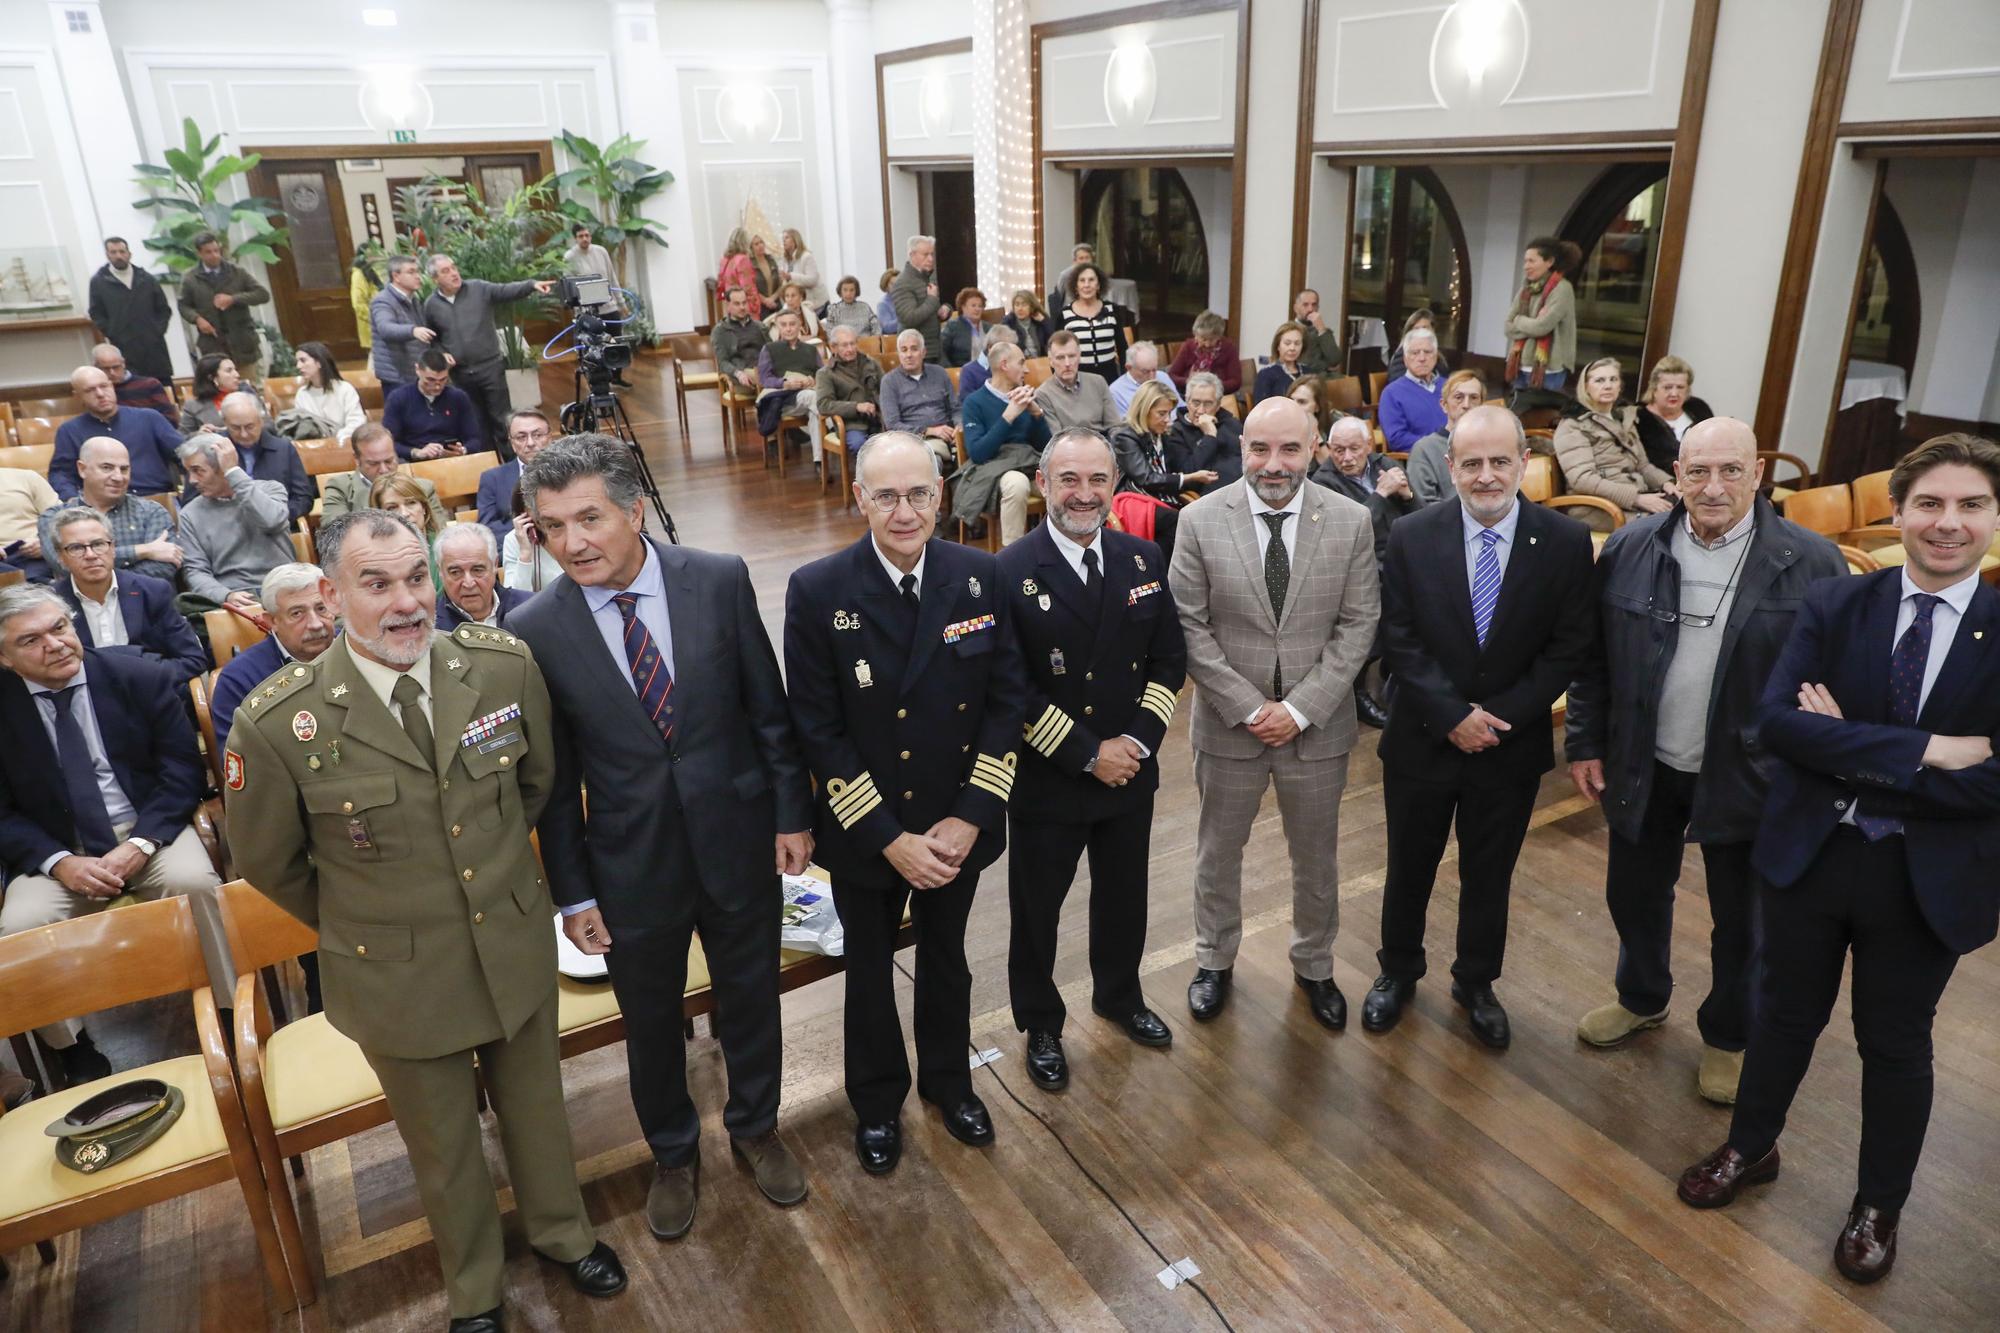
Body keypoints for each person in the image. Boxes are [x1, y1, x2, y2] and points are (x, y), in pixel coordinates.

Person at [225, 509, 627, 1328]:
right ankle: (475, 1286)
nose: (407, 601)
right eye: (377, 584)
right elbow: (270, 862)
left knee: (539, 1109)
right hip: (395, 970)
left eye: (417, 577)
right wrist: (367, 916)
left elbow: (536, 786)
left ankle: (560, 1230)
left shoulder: (503, 665)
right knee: (442, 1145)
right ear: (332, 595)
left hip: (510, 939)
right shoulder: (278, 722)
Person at [1676, 433, 2000, 1286]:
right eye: (1929, 503)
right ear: (1898, 511)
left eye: (1970, 505)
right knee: (1782, 1015)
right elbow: (1780, 724)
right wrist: (1930, 751)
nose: (1947, 523)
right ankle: (1751, 1147)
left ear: (1994, 519)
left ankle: (1877, 1205)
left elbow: (1997, 782)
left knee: (1895, 1044)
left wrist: (1844, 743)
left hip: (1923, 878)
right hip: (1812, 854)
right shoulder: (1837, 603)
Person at [513, 434, 813, 1239]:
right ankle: (674, 1154)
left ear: (634, 508)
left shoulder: (717, 579)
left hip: (740, 834)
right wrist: (572, 892)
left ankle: (756, 1127)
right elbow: (551, 781)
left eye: (589, 518)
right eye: (551, 527)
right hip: (627, 863)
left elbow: (768, 712)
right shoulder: (536, 627)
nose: (572, 542)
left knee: (751, 996)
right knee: (650, 1023)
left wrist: (792, 814)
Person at [1567, 418, 1845, 1103]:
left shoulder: (1812, 562)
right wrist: (1584, 741)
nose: (1712, 486)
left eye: (1729, 470)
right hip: (1644, 760)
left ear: (1758, 475)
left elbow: (1835, 678)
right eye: (1697, 471)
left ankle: (1727, 1035)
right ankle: (1642, 995)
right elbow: (1593, 659)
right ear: (1676, 476)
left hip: (1751, 772)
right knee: (1632, 894)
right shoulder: (1632, 547)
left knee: (1743, 922)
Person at [783, 432, 1026, 1174]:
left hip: (957, 824)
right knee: (868, 969)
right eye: (885, 495)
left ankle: (950, 1083)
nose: (904, 510)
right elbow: (817, 728)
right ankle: (878, 1102)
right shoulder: (819, 588)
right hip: (867, 832)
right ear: (859, 497)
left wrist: (969, 817)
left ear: (940, 492)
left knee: (948, 960)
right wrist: (890, 836)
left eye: (919, 492)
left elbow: (1007, 702)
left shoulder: (982, 577)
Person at [1361, 405, 1595, 1048]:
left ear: (1524, 462)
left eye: (1500, 462)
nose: (1486, 476)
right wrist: (1452, 716)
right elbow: (1399, 637)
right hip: (1423, 739)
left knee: (1490, 874)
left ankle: (1476, 982)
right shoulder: (1413, 536)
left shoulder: (1567, 542)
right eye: (1472, 464)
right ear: (1451, 467)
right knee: (1409, 866)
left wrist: (1505, 718)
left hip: (1509, 746)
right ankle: (1397, 972)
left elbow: (1569, 646)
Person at [1170, 397, 1379, 1030]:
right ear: (1241, 449)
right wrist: (1250, 706)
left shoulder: (1351, 520)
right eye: (1260, 448)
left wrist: (1299, 709)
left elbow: (1358, 623)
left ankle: (1315, 964)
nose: (1274, 463)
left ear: (1314, 448)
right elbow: (1190, 626)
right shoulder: (1200, 520)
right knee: (1217, 854)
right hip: (1230, 727)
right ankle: (1214, 960)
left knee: (1316, 858)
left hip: (1316, 732)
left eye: (1290, 449)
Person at [996, 428, 1187, 1090]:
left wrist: (1133, 744)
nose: (1084, 493)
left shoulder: (1141, 560)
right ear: (1043, 483)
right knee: (1037, 909)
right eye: (1069, 479)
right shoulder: (1008, 569)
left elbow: (1169, 662)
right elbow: (1009, 688)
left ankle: (1119, 995)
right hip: (1050, 778)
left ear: (1115, 485)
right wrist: (1086, 753)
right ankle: (1041, 1022)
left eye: (1098, 480)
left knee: (1124, 896)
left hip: (1130, 771)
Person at [0, 585, 227, 1085]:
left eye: (60, 628)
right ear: (5, 658)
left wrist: (141, 843)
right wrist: (60, 861)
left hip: (148, 829)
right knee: (18, 926)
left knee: (195, 884)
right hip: (59, 848)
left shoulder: (138, 675)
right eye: (31, 640)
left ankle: (231, 1009)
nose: (55, 644)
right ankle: (73, 1049)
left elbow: (181, 771)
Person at [48, 510, 207, 685]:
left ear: (113, 548)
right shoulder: (50, 605)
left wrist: (137, 670)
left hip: (151, 692)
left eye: (98, 544)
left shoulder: (152, 591)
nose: (91, 555)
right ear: (61, 557)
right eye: (76, 548)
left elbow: (193, 660)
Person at [423, 254, 554, 458]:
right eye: (445, 271)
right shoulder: (431, 305)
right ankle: (490, 471)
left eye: (454, 268)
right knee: (476, 426)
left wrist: (531, 284)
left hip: (491, 368)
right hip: (461, 375)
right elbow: (433, 338)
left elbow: (506, 290)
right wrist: (442, 352)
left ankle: (513, 470)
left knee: (502, 422)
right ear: (434, 279)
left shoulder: (478, 288)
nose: (454, 273)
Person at [208, 562, 336, 747]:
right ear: (271, 621)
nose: (315, 624)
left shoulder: (361, 651)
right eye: (297, 613)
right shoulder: (239, 678)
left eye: (321, 608)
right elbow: (237, 761)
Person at [173, 433, 295, 614]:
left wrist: (234, 473)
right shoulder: (189, 514)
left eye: (198, 470)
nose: (191, 480)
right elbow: (195, 571)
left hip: (284, 587)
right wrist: (225, 595)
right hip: (234, 599)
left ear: (223, 469)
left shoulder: (270, 489)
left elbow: (271, 521)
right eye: (188, 472)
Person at [37, 437, 181, 584]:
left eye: (124, 469)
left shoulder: (152, 512)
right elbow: (64, 565)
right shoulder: (54, 518)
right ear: (82, 469)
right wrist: (142, 551)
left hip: (146, 602)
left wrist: (93, 576)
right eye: (107, 468)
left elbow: (163, 570)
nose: (118, 477)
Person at [1554, 356, 1676, 529]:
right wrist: (1637, 499)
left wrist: (1667, 484)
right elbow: (1582, 479)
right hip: (1598, 508)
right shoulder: (1573, 425)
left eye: (1613, 379)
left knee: (1688, 513)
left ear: (1620, 386)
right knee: (1665, 526)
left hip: (1634, 501)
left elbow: (1644, 466)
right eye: (1599, 380)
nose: (1608, 385)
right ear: (1586, 387)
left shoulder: (1623, 418)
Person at [952, 343, 1049, 546]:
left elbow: (1046, 448)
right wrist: (1008, 417)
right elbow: (978, 453)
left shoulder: (1024, 397)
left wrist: (1036, 414)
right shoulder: (974, 402)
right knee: (1017, 483)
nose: (1027, 369)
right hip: (994, 472)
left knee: (1062, 482)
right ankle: (1012, 557)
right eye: (1021, 362)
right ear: (1004, 365)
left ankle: (1059, 551)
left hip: (1029, 465)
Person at [1112, 381, 1213, 560]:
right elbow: (1146, 479)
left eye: (1169, 413)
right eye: (1161, 413)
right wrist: (1189, 477)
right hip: (1134, 500)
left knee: (1201, 516)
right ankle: (1161, 574)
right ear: (1144, 411)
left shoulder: (1163, 434)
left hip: (1162, 499)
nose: (1167, 419)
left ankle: (1170, 575)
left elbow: (1176, 469)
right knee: (1177, 520)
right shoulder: (1124, 436)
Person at [52, 365, 184, 500]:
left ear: (112, 386)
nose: (100, 394)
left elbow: (184, 455)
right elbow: (61, 475)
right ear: (78, 396)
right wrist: (76, 503)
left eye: (104, 386)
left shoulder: (149, 418)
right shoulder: (69, 431)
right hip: (104, 505)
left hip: (157, 497)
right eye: (90, 390)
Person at [1311, 416, 1416, 562]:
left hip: (1406, 548)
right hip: (1366, 560)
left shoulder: (1385, 464)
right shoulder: (1323, 483)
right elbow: (1349, 534)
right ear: (1329, 449)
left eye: (1354, 449)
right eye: (1339, 450)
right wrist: (1380, 493)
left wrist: (1408, 497)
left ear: (1368, 445)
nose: (1347, 457)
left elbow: (1421, 517)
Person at [177, 232, 270, 384]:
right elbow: (183, 305)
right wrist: (197, 319)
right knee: (220, 389)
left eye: (216, 250)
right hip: (213, 345)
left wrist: (234, 299)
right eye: (208, 252)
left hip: (242, 343)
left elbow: (262, 294)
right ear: (199, 253)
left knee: (249, 387)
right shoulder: (190, 278)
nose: (214, 255)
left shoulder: (237, 272)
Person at [207, 391, 313, 521]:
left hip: (276, 526)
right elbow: (196, 500)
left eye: (250, 427)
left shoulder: (283, 448)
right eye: (235, 428)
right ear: (225, 422)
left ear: (261, 420)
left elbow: (303, 499)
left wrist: (276, 515)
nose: (244, 434)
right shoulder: (212, 449)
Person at [320, 422, 449, 527]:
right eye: (373, 463)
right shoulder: (340, 488)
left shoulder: (424, 488)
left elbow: (439, 532)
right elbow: (333, 533)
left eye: (389, 461)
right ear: (356, 459)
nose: (383, 469)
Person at [87, 237, 175, 383]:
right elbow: (96, 313)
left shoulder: (146, 279)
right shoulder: (99, 282)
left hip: (153, 346)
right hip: (124, 347)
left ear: (129, 253)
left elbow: (163, 309)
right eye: (113, 252)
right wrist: (113, 333)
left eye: (122, 251)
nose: (118, 256)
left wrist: (157, 331)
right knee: (132, 388)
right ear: (107, 255)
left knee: (162, 387)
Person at [1504, 237, 1579, 392]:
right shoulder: (1526, 288)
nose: (1526, 266)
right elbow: (1507, 327)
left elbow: (1542, 327)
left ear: (1549, 262)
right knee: (1517, 414)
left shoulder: (1562, 289)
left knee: (1544, 415)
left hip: (1549, 370)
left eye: (1532, 261)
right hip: (1519, 365)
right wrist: (1530, 322)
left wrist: (1519, 319)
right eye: (1525, 261)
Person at [878, 328, 959, 469]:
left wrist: (960, 427)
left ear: (923, 352)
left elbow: (956, 408)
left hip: (947, 436)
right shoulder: (889, 382)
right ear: (898, 354)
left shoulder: (939, 373)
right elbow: (892, 424)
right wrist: (928, 431)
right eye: (903, 350)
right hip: (912, 441)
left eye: (914, 349)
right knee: (932, 462)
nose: (908, 355)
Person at [383, 349, 481, 460]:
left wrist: (463, 450)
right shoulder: (398, 398)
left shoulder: (458, 398)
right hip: (413, 460)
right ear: (417, 370)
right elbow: (388, 443)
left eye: (443, 380)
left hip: (453, 459)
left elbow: (474, 439)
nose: (437, 386)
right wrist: (416, 452)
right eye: (430, 380)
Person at [433, 524, 533, 632]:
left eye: (477, 570)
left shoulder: (530, 609)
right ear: (440, 571)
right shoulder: (430, 628)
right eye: (456, 572)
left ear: (494, 565)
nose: (469, 583)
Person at [1406, 370, 1484, 507]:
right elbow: (1422, 504)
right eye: (1458, 397)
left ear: (1481, 406)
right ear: (1444, 405)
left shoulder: (1491, 446)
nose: (1466, 405)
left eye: (1473, 398)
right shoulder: (1425, 449)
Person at [476, 409, 552, 548]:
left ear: (549, 437)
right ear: (512, 443)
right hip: (515, 549)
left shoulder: (570, 472)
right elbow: (487, 529)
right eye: (521, 437)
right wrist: (525, 537)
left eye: (537, 435)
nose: (530, 443)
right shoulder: (492, 478)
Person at [1165, 371, 1243, 498]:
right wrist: (1210, 436)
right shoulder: (1175, 432)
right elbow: (1188, 473)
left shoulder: (1232, 424)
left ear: (1218, 405)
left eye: (1208, 404)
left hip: (1243, 490)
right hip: (1210, 497)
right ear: (1187, 401)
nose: (1200, 411)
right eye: (1195, 403)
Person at [1634, 355, 1714, 472]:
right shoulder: (1639, 418)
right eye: (1668, 387)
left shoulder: (1699, 409)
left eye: (1680, 387)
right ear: (1654, 388)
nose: (1674, 393)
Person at [815, 326, 883, 462]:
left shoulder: (871, 363)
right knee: (860, 446)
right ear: (833, 348)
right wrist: (856, 407)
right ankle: (870, 480)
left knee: (899, 441)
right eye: (845, 345)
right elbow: (824, 405)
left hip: (878, 418)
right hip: (851, 424)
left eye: (852, 343)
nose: (850, 349)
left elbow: (886, 389)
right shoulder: (826, 373)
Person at [754, 308, 821, 447]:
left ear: (800, 325)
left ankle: (819, 460)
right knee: (814, 399)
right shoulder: (769, 349)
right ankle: (834, 428)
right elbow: (764, 379)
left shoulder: (811, 349)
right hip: (784, 400)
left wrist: (813, 380)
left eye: (792, 324)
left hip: (807, 395)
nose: (788, 329)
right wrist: (784, 383)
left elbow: (822, 375)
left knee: (815, 410)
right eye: (783, 325)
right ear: (778, 327)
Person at [1034, 330, 1120, 437]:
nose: (1067, 363)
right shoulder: (1043, 394)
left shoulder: (1098, 382)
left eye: (1072, 356)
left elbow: (1114, 426)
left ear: (1079, 356)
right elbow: (1056, 439)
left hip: (1104, 443)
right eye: (1060, 358)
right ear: (1051, 361)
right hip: (1070, 449)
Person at [1376, 327, 1448, 451]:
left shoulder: (1448, 387)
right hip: (1421, 460)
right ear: (1405, 359)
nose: (1422, 358)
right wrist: (1437, 446)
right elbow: (1397, 439)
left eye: (1427, 352)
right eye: (1415, 353)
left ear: (1436, 357)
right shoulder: (1392, 393)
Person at [371, 472, 445, 591]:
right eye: (392, 508)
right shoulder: (374, 560)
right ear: (380, 516)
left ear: (424, 508)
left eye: (411, 503)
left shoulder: (446, 548)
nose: (404, 513)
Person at [368, 254, 434, 387]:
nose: (417, 276)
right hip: (396, 376)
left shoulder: (414, 299)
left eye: (418, 271)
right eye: (411, 272)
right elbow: (385, 328)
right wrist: (412, 330)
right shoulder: (383, 300)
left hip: (414, 372)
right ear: (396, 276)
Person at [1057, 264, 1128, 384]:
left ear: (1099, 285)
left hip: (1110, 380)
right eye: (1082, 280)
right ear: (1076, 286)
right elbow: (1056, 352)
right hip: (1078, 381)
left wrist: (1125, 377)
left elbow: (1122, 347)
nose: (1086, 285)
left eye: (1091, 280)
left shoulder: (1112, 309)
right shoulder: (1064, 314)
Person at [288, 340, 367, 444]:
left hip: (344, 443)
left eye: (303, 360)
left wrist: (338, 439)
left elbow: (357, 421)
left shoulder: (345, 389)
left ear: (319, 362)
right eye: (297, 361)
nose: (298, 366)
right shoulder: (302, 394)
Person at [889, 234, 946, 363]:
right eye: (925, 255)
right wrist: (932, 300)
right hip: (915, 352)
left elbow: (932, 310)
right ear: (912, 255)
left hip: (934, 348)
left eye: (932, 254)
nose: (931, 259)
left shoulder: (928, 277)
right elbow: (909, 318)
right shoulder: (902, 283)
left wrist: (945, 309)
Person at [0, 462, 58, 580]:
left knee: (35, 578)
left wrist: (45, 543)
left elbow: (62, 519)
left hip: (31, 553)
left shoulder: (26, 478)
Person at [178, 352, 258, 437]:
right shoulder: (193, 406)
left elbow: (269, 426)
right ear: (212, 377)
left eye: (235, 370)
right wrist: (199, 434)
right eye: (229, 371)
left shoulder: (247, 394)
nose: (237, 375)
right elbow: (181, 438)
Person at [92, 342, 176, 422]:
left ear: (123, 363)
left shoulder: (149, 385)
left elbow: (170, 419)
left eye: (116, 367)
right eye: (106, 369)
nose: (112, 373)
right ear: (96, 368)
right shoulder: (96, 391)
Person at [712, 285, 770, 397]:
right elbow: (722, 362)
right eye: (737, 304)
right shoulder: (720, 331)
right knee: (770, 384)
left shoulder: (759, 326)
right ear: (727, 305)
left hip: (763, 370)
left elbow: (772, 350)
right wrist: (738, 373)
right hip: (741, 375)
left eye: (744, 303)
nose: (742, 307)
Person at [1167, 311, 1241, 397]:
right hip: (1188, 395)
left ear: (1219, 336)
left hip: (1218, 396)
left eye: (1212, 340)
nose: (1207, 344)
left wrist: (1214, 385)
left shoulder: (1228, 348)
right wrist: (1188, 381)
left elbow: (1236, 381)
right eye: (1203, 339)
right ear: (1196, 335)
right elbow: (1171, 375)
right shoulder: (1188, 347)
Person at [565, 223, 625, 326]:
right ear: (575, 238)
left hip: (610, 308)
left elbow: (612, 278)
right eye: (581, 236)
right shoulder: (569, 257)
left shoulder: (601, 251)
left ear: (590, 237)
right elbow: (569, 289)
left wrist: (622, 303)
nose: (585, 239)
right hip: (587, 313)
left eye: (587, 235)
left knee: (615, 341)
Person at [1109, 341, 1184, 419]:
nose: (1152, 377)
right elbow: (1123, 425)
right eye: (1145, 371)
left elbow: (1181, 407)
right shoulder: (1116, 391)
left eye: (1154, 370)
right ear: (1129, 368)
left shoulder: (1163, 377)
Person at [1383, 309, 1451, 385]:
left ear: (1433, 330)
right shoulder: (1404, 353)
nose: (1421, 332)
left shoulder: (1436, 353)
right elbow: (1398, 384)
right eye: (1416, 329)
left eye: (1425, 328)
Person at [955, 324, 1017, 400]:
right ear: (990, 348)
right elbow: (968, 403)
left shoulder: (1012, 367)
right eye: (1005, 350)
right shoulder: (969, 371)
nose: (1010, 354)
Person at [1253, 323, 1306, 405]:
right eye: (1287, 343)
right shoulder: (1266, 374)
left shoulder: (1308, 372)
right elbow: (1261, 409)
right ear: (1278, 346)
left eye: (1297, 343)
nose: (1292, 348)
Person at [1292, 289, 1342, 375]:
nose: (1310, 309)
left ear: (1318, 308)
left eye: (1314, 305)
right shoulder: (1289, 330)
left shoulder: (1322, 330)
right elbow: (1303, 363)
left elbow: (1336, 359)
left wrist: (1321, 329)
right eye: (1305, 305)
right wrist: (1326, 366)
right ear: (1296, 308)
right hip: (1303, 380)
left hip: (1326, 380)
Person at [940, 288, 989, 369]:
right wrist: (951, 371)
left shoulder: (989, 327)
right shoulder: (952, 326)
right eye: (973, 305)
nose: (977, 309)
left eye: (980, 306)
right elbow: (941, 352)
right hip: (961, 372)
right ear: (963, 307)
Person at [779, 227, 827, 308]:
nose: (784, 241)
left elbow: (812, 280)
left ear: (795, 239)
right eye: (783, 238)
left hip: (817, 303)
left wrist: (790, 276)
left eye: (786, 237)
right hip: (800, 304)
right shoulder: (785, 259)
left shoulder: (806, 256)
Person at [1048, 243, 1097, 316]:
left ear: (1092, 259)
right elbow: (1058, 297)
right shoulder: (1065, 275)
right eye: (1081, 258)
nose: (1084, 261)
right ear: (1075, 261)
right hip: (1070, 313)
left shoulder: (1097, 274)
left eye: (1087, 258)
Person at [1003, 289, 1053, 360]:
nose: (1020, 308)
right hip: (1017, 363)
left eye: (1024, 305)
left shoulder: (1040, 320)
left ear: (1032, 306)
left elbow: (1053, 340)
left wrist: (1044, 321)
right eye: (1017, 304)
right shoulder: (1008, 323)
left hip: (1041, 362)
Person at [349, 249, 381, 353]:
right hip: (370, 322)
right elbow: (358, 303)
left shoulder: (373, 270)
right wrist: (374, 317)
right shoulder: (358, 275)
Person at [874, 268, 901, 335]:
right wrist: (905, 319)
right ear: (886, 286)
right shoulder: (882, 304)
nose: (896, 287)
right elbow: (887, 328)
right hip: (893, 340)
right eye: (892, 284)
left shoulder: (906, 298)